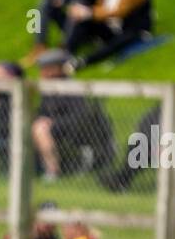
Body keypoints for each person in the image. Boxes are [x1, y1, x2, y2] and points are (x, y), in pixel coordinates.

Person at [32, 49, 114, 182]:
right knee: (33, 126)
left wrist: (53, 123)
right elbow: (42, 112)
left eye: (46, 68)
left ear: (57, 69)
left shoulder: (72, 89)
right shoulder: (47, 89)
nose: (42, 72)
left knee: (40, 129)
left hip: (74, 131)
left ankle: (52, 171)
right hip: (50, 128)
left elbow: (80, 117)